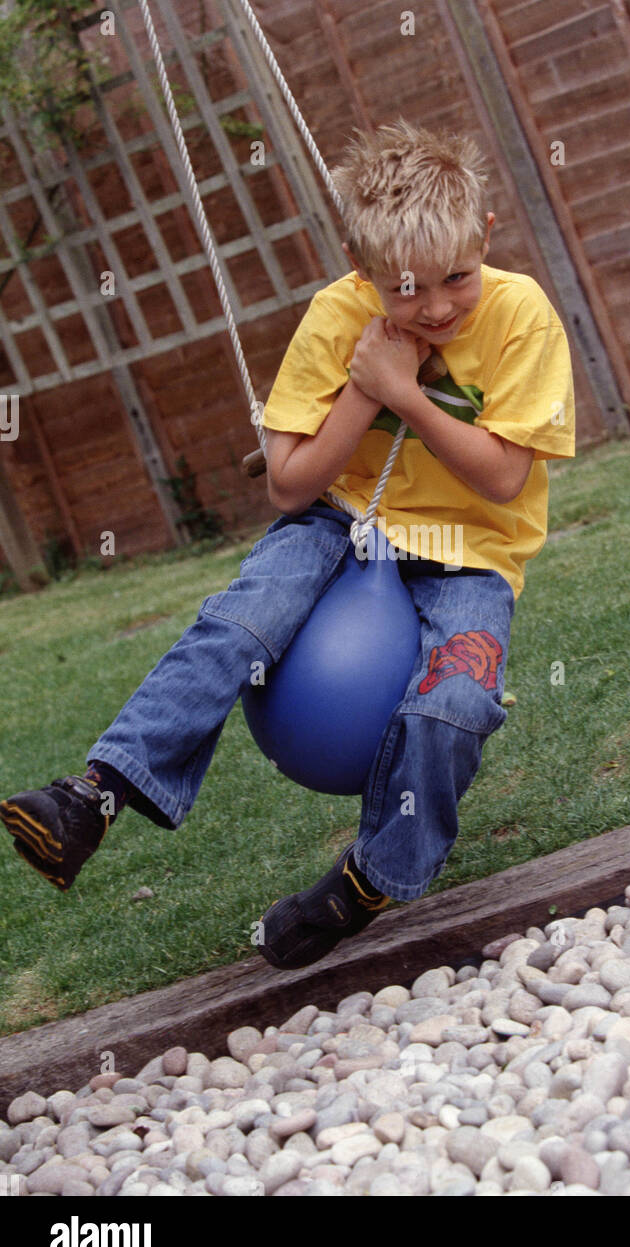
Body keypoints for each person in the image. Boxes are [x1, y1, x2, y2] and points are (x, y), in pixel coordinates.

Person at [0, 118, 575, 970]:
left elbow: (501, 479)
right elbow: (287, 484)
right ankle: (96, 795)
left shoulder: (521, 313)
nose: (439, 306)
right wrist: (364, 387)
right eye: (407, 290)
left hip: (470, 554)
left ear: (484, 236)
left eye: (457, 278)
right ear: (363, 269)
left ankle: (368, 882)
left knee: (455, 705)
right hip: (340, 521)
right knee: (244, 620)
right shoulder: (337, 316)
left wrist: (407, 396)